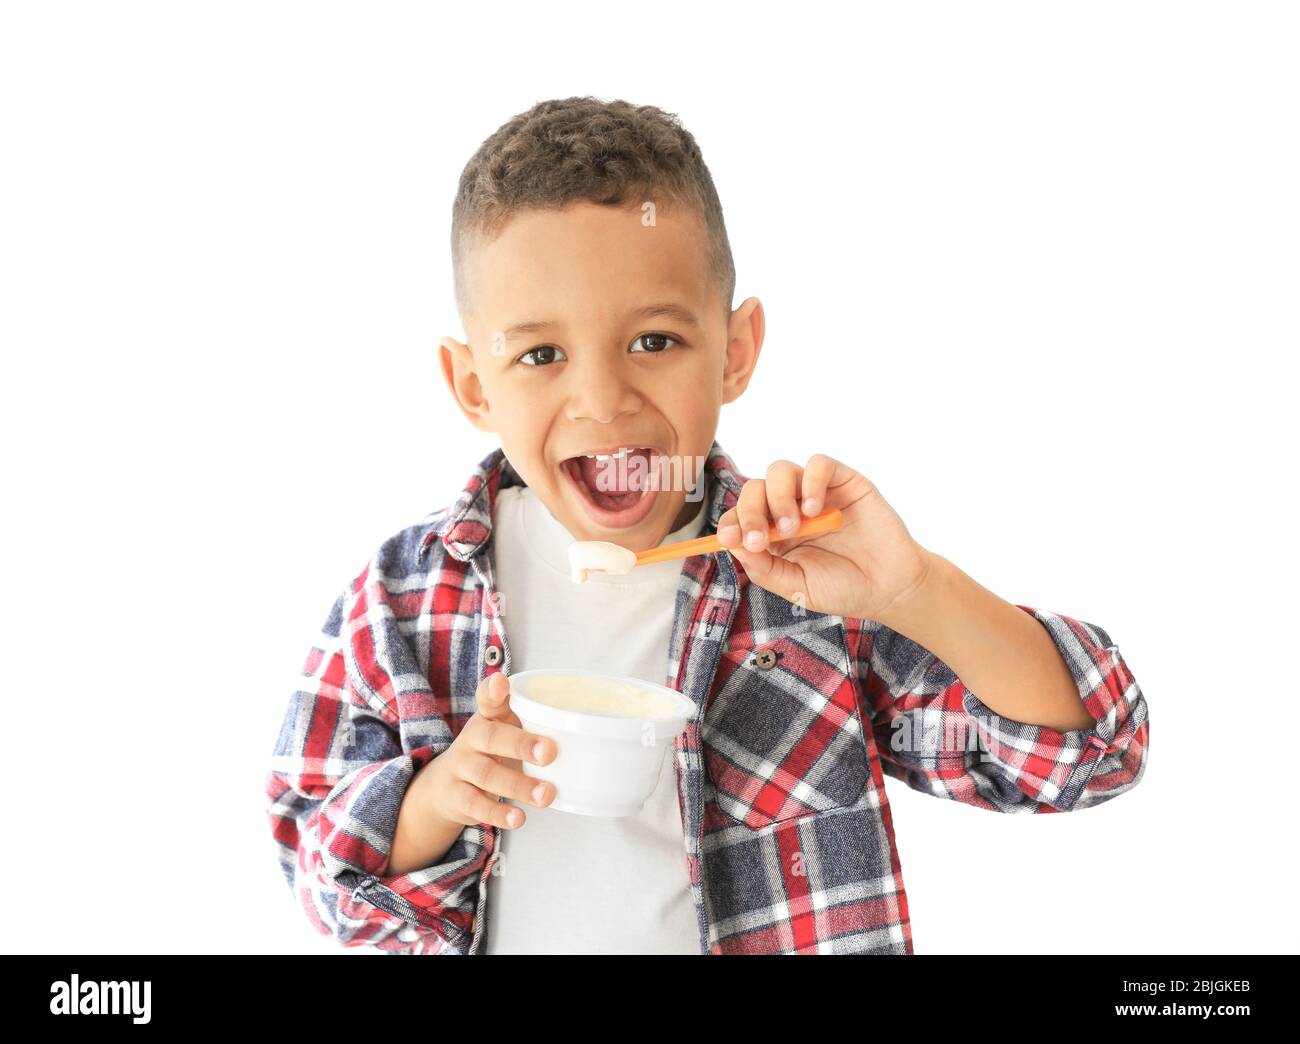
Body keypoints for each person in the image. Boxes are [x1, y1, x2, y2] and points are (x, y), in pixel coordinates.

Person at [264, 96, 1149, 955]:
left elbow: (1094, 753)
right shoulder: (401, 600)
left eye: (654, 340)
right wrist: (433, 803)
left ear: (735, 352)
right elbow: (317, 865)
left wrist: (916, 588)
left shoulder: (807, 585)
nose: (603, 401)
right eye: (540, 354)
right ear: (472, 387)